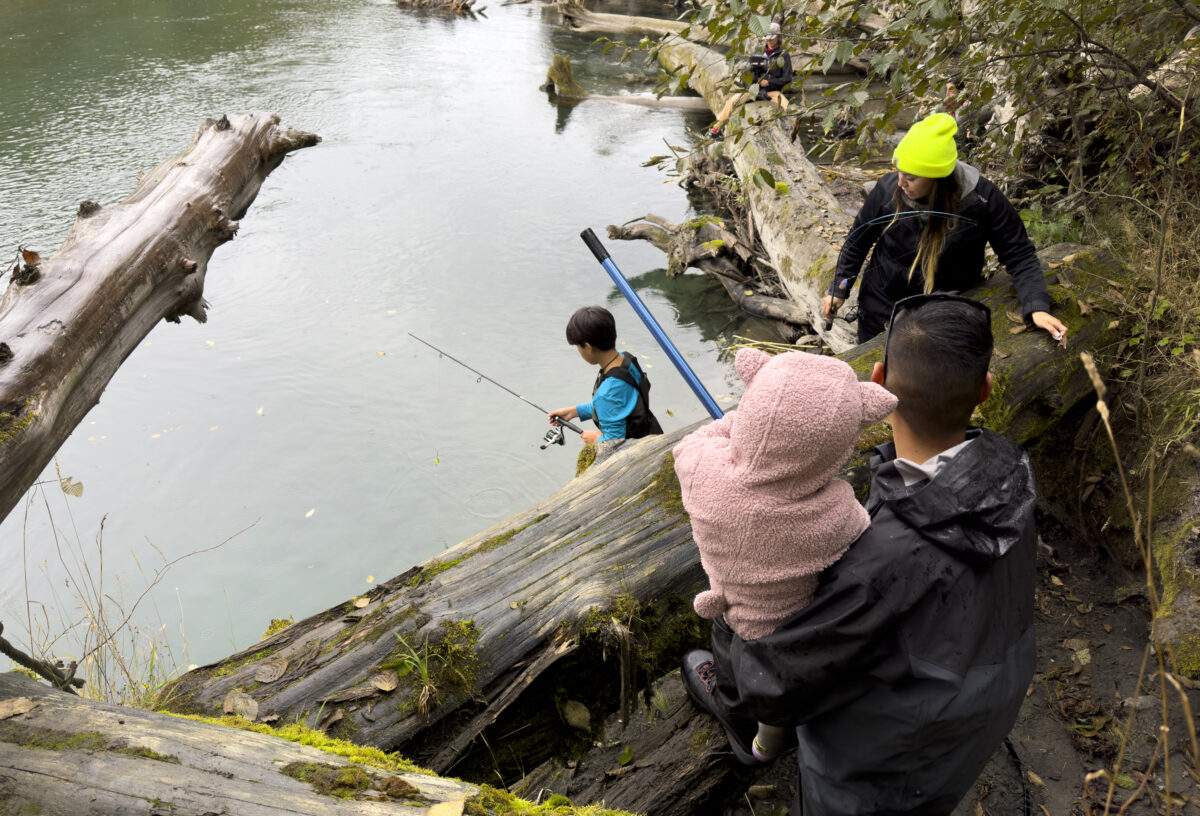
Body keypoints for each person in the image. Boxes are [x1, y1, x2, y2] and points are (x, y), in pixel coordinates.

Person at [683, 294, 1038, 815]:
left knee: (741, 626)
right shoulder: (1013, 472)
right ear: (984, 391)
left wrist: (744, 616)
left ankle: (739, 726)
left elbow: (777, 680)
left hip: (880, 772)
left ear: (877, 382)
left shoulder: (880, 563)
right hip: (982, 713)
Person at [673, 348, 896, 763]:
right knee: (778, 682)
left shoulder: (701, 470)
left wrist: (745, 423)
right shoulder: (835, 512)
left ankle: (736, 718)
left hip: (734, 614)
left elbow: (691, 443)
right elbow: (861, 531)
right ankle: (775, 733)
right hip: (802, 624)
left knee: (731, 657)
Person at [821, 112, 1069, 345]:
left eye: (912, 177)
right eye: (899, 171)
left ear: (938, 178)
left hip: (947, 309)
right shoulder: (888, 190)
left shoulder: (982, 201)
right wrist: (839, 288)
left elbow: (1019, 254)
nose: (901, 182)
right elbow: (857, 243)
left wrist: (1036, 306)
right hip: (881, 305)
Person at [548, 306, 662, 458]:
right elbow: (620, 405)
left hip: (638, 456)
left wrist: (596, 440)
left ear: (588, 347)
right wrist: (575, 412)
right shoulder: (626, 359)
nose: (579, 351)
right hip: (652, 435)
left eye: (577, 347)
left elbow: (614, 447)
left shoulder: (607, 393)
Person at [707, 23, 793, 140]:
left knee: (787, 107)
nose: (769, 41)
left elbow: (787, 79)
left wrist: (769, 83)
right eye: (767, 39)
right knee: (731, 102)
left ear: (778, 37)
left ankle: (789, 135)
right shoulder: (758, 53)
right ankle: (716, 129)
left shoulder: (784, 55)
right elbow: (748, 74)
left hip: (771, 92)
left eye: (771, 38)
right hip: (752, 90)